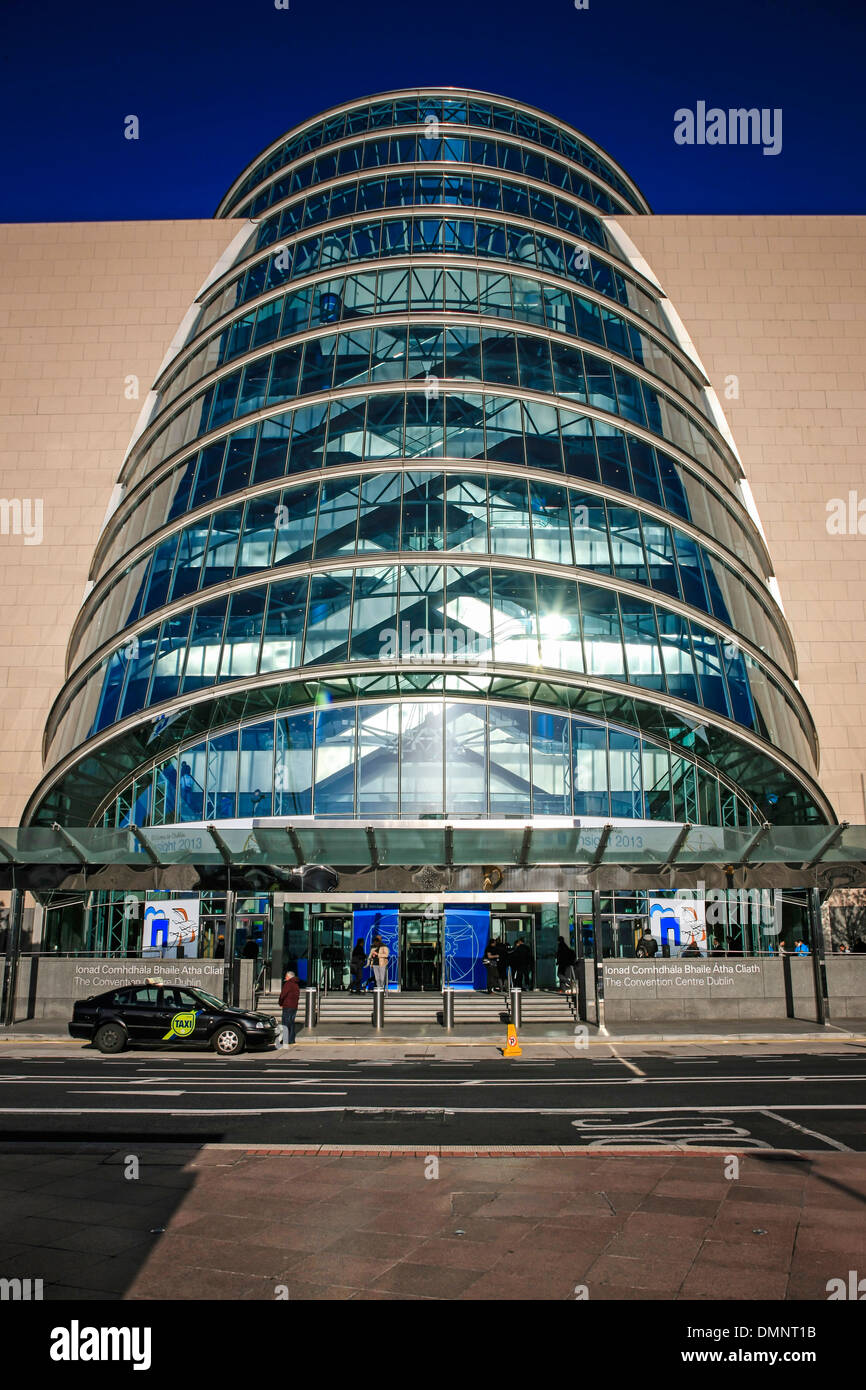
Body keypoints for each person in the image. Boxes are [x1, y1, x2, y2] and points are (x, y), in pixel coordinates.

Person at [278, 969, 301, 1046]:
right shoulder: (296, 984)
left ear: (289, 977)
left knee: (285, 1023)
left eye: (286, 976)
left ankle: (285, 1040)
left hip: (287, 1006)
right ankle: (291, 1039)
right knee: (291, 1023)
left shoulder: (288, 984)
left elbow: (283, 995)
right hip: (294, 1006)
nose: (285, 977)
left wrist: (280, 1002)